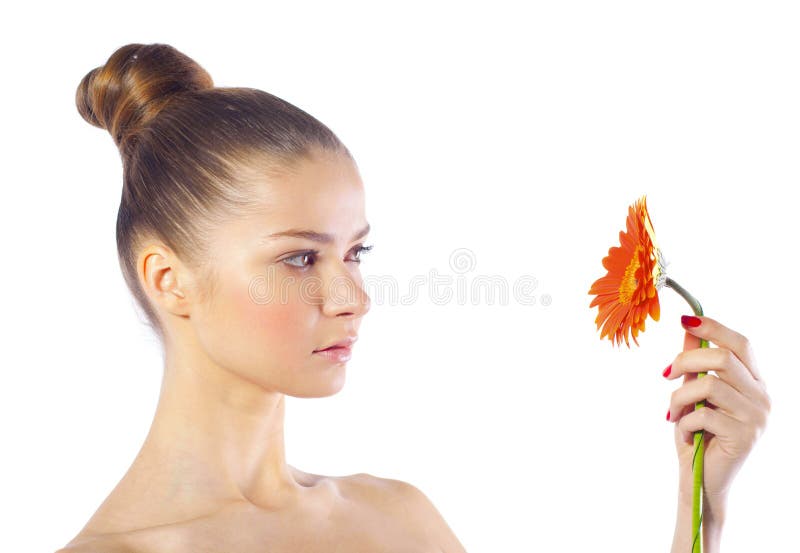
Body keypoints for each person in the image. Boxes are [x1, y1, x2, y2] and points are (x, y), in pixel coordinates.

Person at [58, 43, 769, 553]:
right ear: (168, 278)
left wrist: (698, 506)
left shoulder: (397, 518)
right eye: (300, 257)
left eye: (355, 252)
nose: (353, 297)